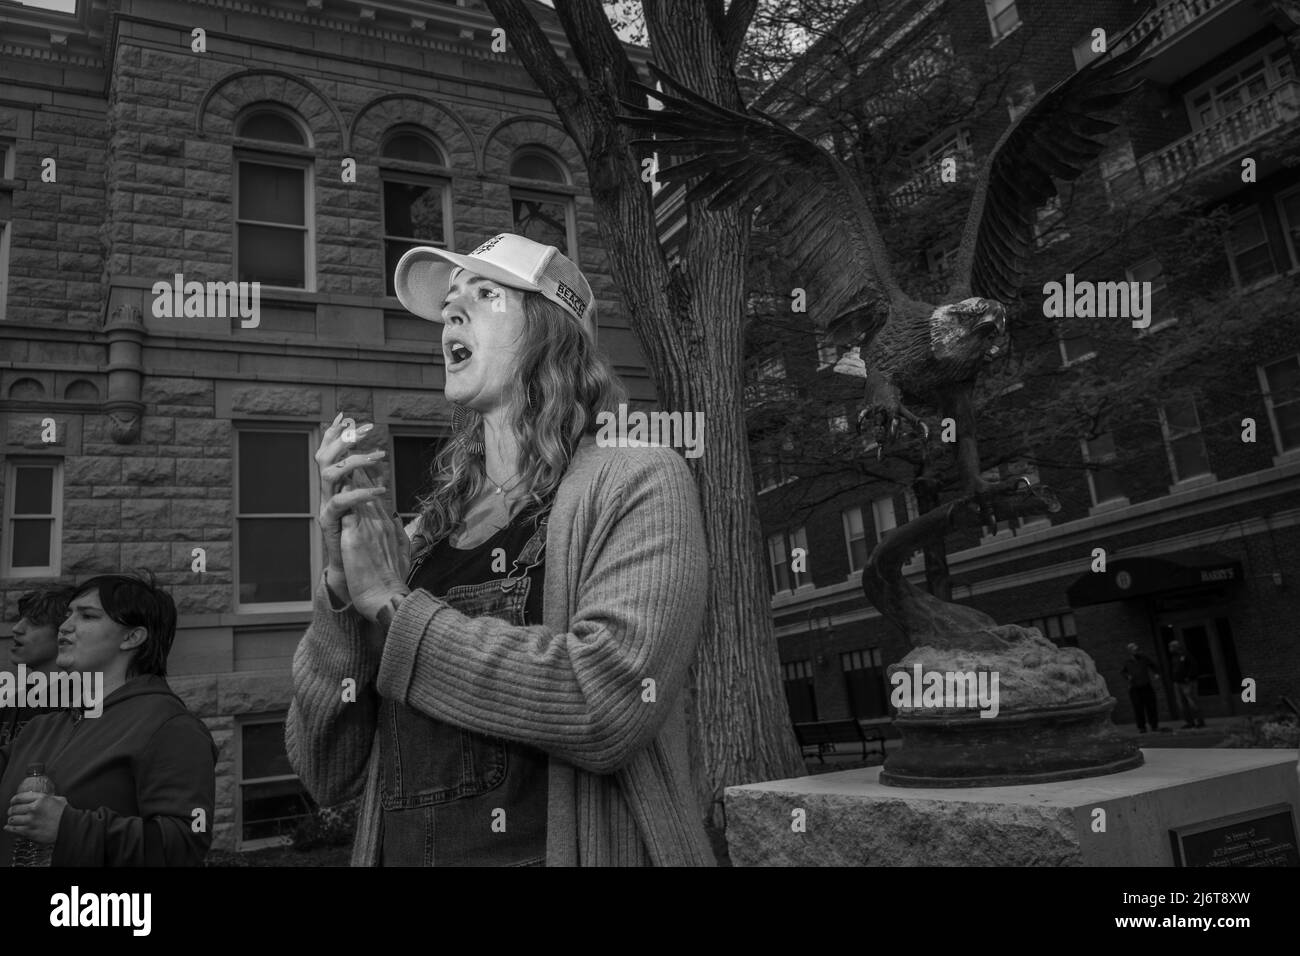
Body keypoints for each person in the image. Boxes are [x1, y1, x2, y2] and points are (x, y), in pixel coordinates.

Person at [287, 233, 714, 866]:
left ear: (552, 332)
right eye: (450, 302)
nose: (450, 313)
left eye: (484, 294)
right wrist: (344, 595)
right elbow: (327, 770)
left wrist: (394, 610)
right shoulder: (422, 537)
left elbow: (609, 705)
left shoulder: (638, 480)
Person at [0, 574, 217, 866]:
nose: (65, 626)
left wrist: (69, 828)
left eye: (87, 616)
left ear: (132, 637)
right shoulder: (42, 726)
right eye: (67, 615)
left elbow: (186, 844)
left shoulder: (171, 727)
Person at [2, 587, 73, 747]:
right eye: (21, 619)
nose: (16, 628)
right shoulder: (10, 703)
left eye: (34, 622)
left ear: (65, 633)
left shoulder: (79, 704)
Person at [1121, 642, 1161, 733]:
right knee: (1138, 708)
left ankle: (1154, 725)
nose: (1136, 651)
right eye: (1134, 650)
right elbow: (1123, 672)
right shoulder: (1127, 661)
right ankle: (1142, 727)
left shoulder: (1144, 658)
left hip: (1146, 685)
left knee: (1151, 706)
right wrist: (1127, 676)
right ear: (1129, 651)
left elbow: (1154, 666)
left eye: (1136, 649)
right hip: (1135, 688)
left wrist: (1156, 673)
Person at [1168, 639, 1206, 729]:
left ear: (1175, 647)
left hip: (1187, 683)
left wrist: (1189, 677)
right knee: (1182, 704)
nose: (1169, 649)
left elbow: (1193, 666)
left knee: (1192, 702)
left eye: (1170, 647)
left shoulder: (1185, 655)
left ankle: (1200, 721)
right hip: (1177, 683)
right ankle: (1190, 722)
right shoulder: (1174, 658)